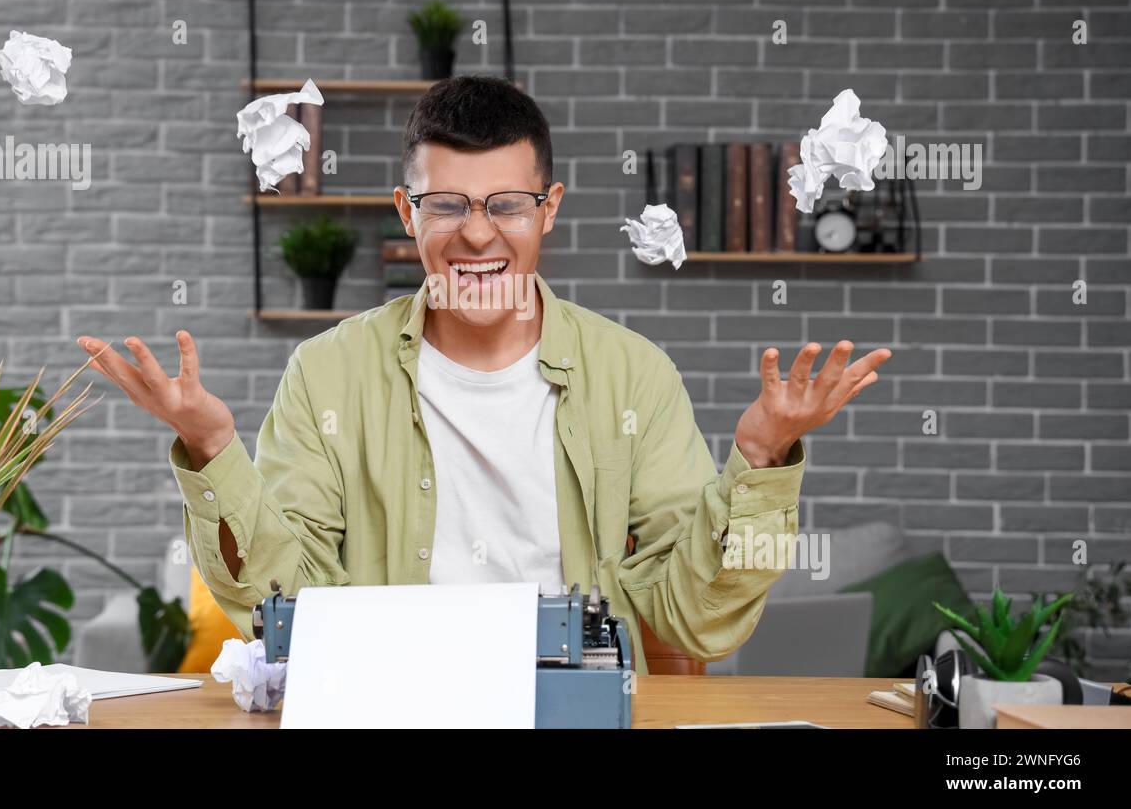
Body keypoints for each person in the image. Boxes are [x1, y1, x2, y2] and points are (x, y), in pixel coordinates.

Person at [76, 76, 891, 672]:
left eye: (506, 204)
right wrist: (213, 448)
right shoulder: (326, 374)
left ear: (548, 209)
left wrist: (760, 462)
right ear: (407, 211)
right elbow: (283, 607)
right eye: (447, 205)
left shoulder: (633, 376)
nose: (476, 235)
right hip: (387, 704)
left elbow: (696, 620)